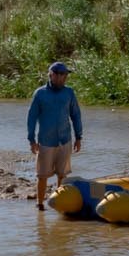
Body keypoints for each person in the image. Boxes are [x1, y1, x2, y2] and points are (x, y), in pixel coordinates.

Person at [26, 61, 84, 210]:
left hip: (65, 140)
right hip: (46, 141)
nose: (64, 78)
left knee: (62, 175)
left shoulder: (69, 93)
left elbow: (76, 115)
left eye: (65, 76)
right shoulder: (40, 93)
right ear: (52, 75)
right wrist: (31, 139)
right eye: (62, 75)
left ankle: (60, 203)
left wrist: (78, 137)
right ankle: (40, 204)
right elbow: (31, 117)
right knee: (42, 175)